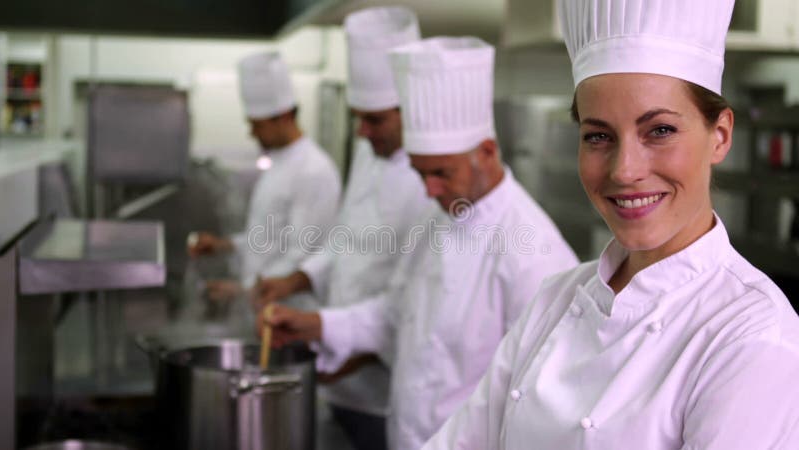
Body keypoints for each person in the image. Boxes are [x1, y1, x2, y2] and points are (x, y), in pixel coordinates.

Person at [423, 0, 799, 448]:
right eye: (598, 136)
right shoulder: (556, 298)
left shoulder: (752, 335)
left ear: (720, 135)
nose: (624, 170)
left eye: (660, 131)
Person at [262, 37, 579, 450]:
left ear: (486, 152)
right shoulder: (438, 217)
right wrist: (318, 324)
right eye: (420, 173)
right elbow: (397, 314)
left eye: (441, 174)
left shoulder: (534, 252)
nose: (429, 190)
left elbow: (542, 402)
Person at [253, 7, 432, 450]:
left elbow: (413, 304)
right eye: (358, 117)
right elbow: (346, 239)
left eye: (375, 119)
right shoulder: (371, 152)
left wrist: (351, 351)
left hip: (382, 386)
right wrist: (296, 279)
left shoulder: (432, 182)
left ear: (410, 107)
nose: (362, 132)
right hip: (336, 367)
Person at [187, 52, 341, 303]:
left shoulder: (314, 170)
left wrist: (242, 291)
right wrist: (224, 245)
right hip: (263, 305)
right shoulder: (279, 163)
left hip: (292, 311)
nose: (252, 133)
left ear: (284, 116)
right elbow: (268, 239)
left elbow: (302, 256)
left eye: (258, 125)